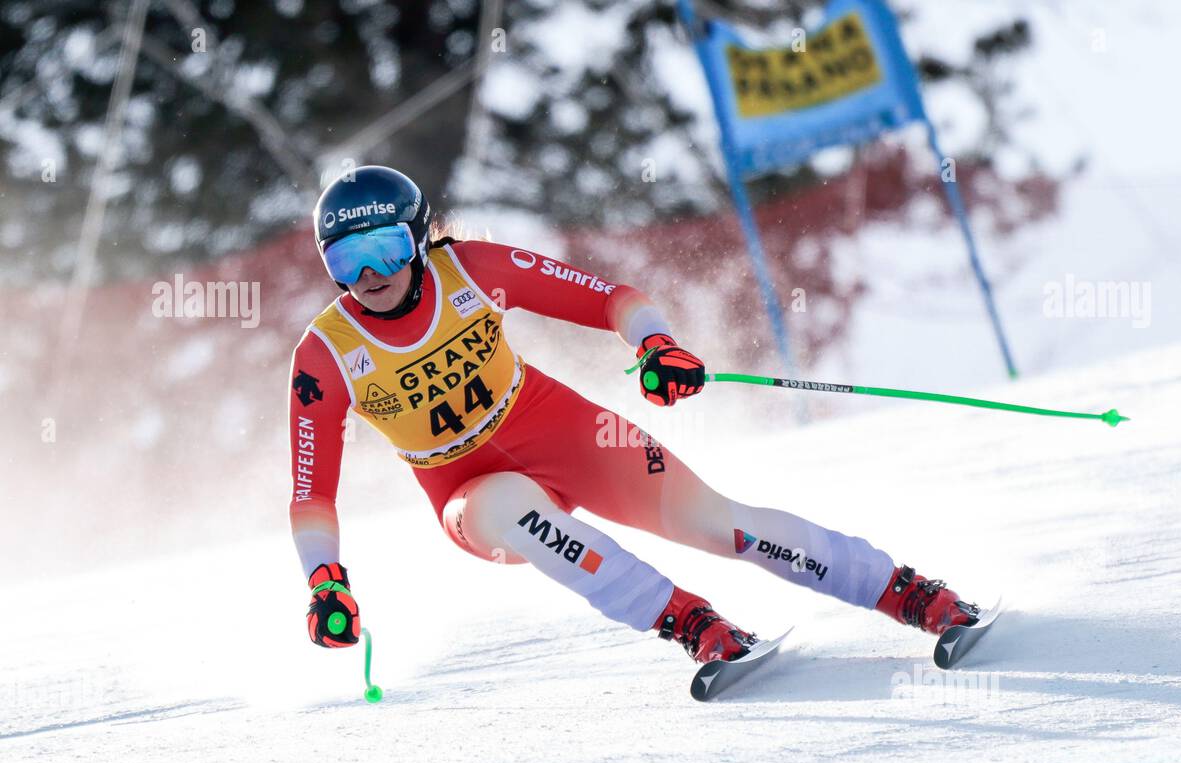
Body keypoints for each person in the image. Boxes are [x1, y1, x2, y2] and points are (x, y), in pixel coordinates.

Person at [290, 166, 978, 664]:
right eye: (347, 260)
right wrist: (326, 583)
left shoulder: (471, 270)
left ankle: (907, 593)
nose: (370, 275)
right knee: (512, 508)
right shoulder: (326, 353)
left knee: (719, 524)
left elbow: (612, 298)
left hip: (559, 430)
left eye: (385, 249)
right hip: (465, 491)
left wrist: (656, 345)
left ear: (417, 241)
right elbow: (310, 492)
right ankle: (690, 622)